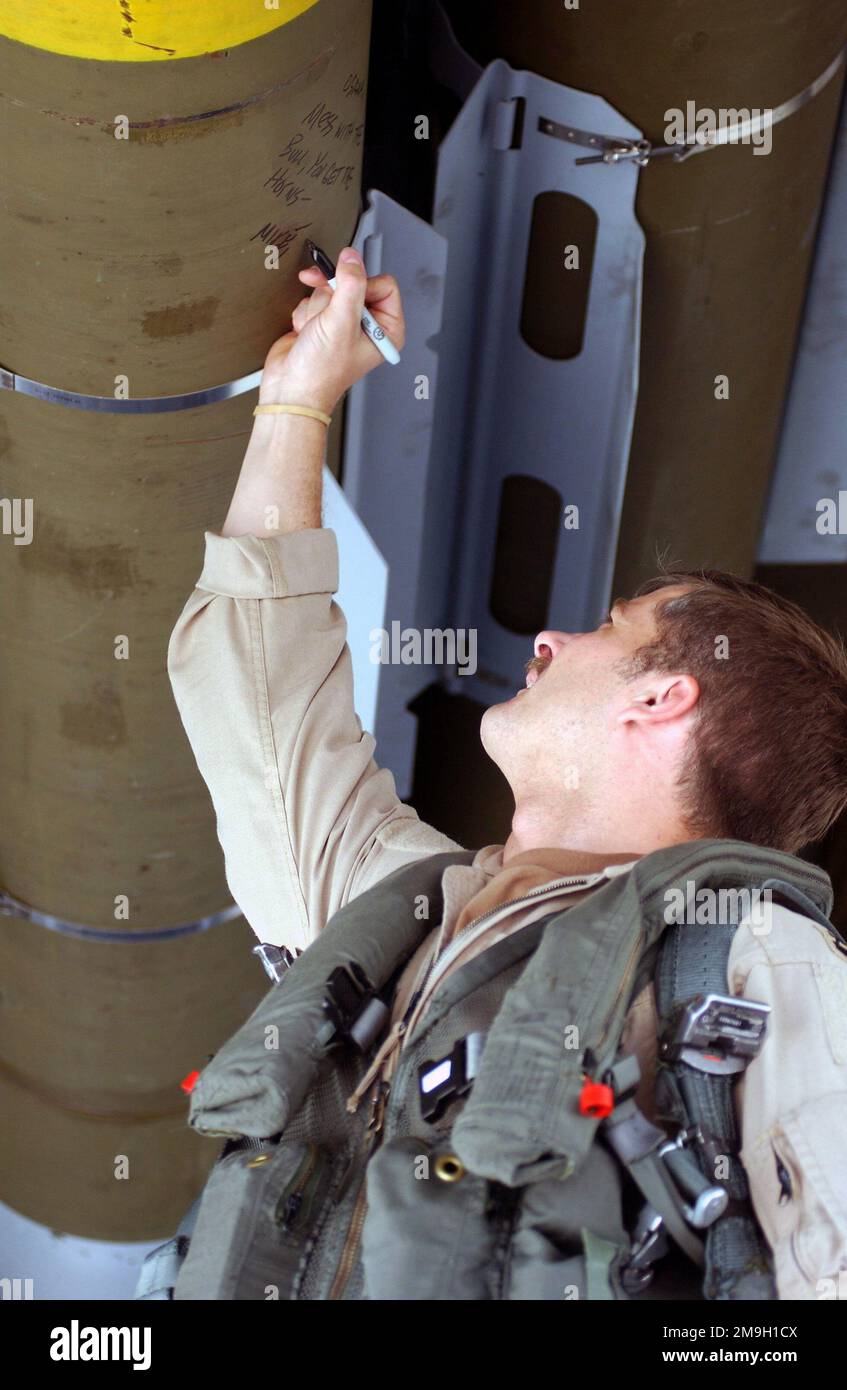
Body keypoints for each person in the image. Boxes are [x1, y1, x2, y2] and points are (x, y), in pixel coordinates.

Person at [167, 248, 847, 1299]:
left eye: (607, 630)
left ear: (663, 699)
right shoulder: (413, 915)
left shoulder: (760, 960)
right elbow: (256, 703)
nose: (545, 637)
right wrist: (296, 407)